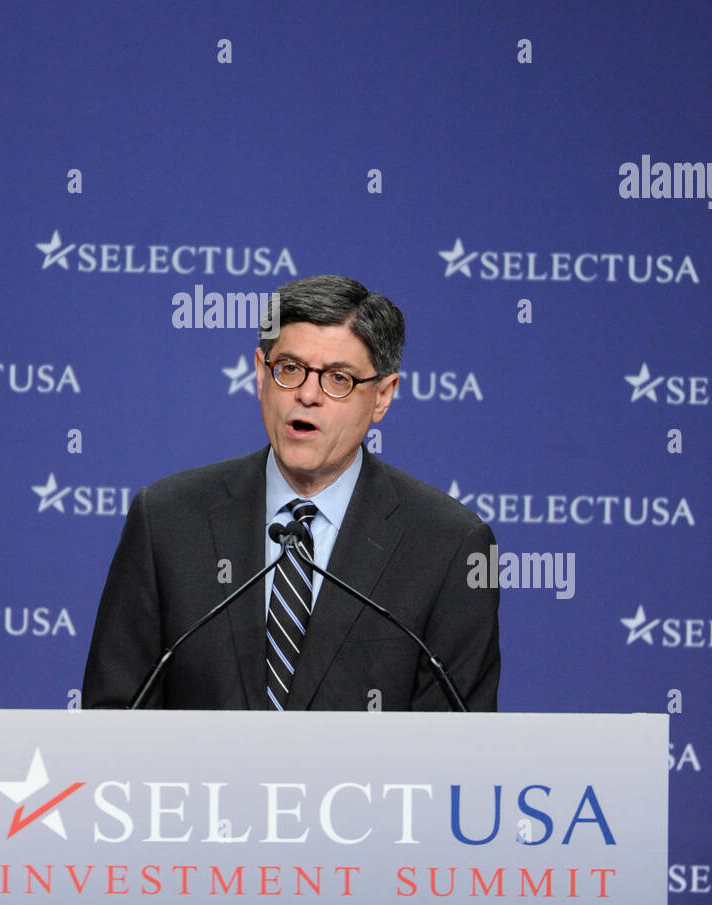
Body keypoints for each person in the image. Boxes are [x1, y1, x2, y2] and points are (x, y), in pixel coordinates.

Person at [82, 274, 499, 711]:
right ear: (261, 374)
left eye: (339, 378)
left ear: (382, 396)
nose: (307, 395)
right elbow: (114, 721)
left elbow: (455, 755)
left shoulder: (448, 546)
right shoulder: (167, 521)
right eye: (290, 369)